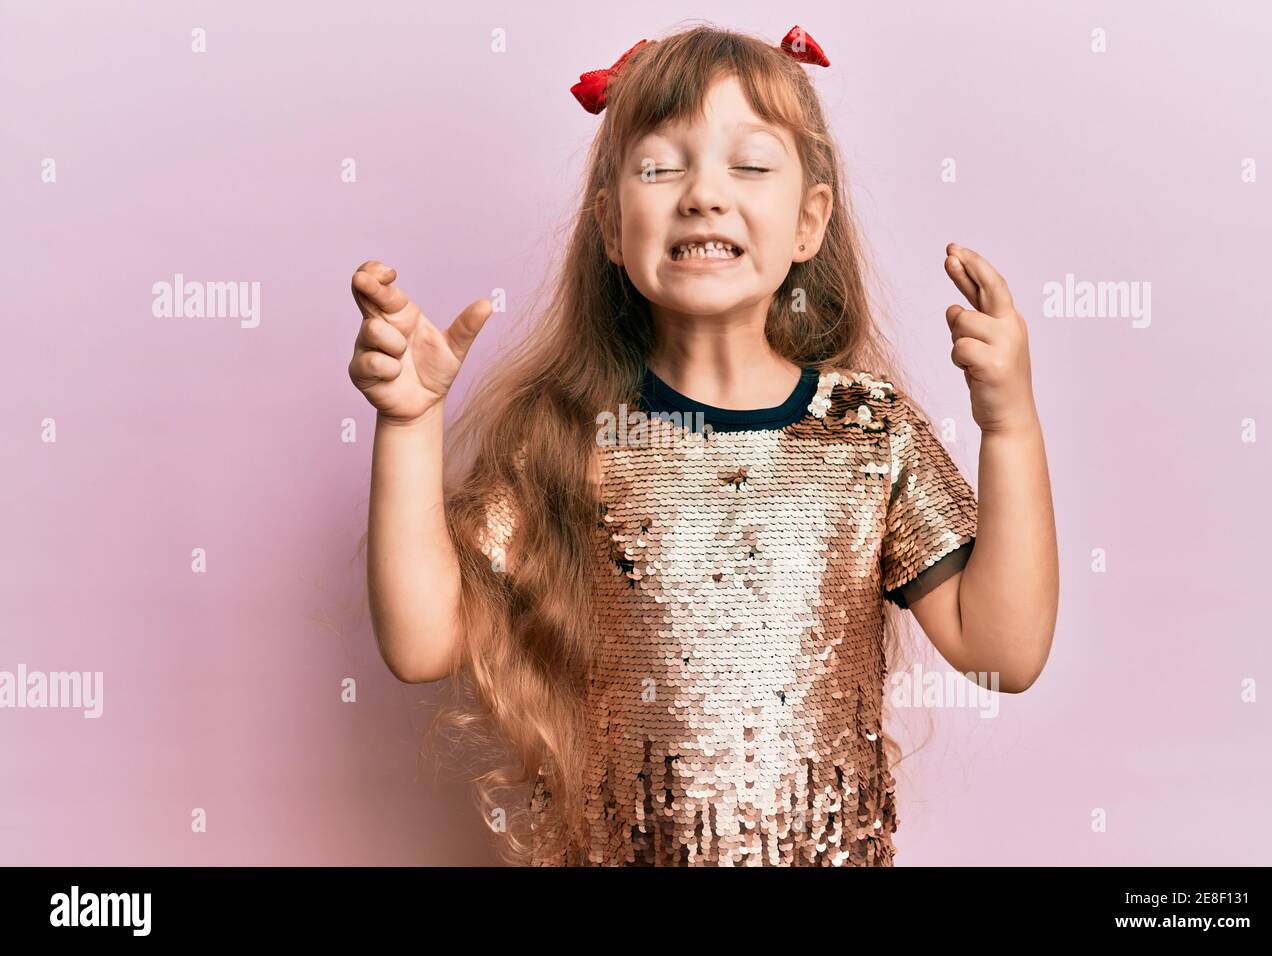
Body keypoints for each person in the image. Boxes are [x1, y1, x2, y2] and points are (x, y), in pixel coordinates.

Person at [347, 24, 1058, 866]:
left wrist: (1008, 422)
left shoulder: (872, 431)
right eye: (660, 166)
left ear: (809, 222)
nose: (703, 194)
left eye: (749, 165)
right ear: (611, 226)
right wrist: (407, 422)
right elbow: (422, 644)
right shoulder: (565, 431)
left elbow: (1004, 654)